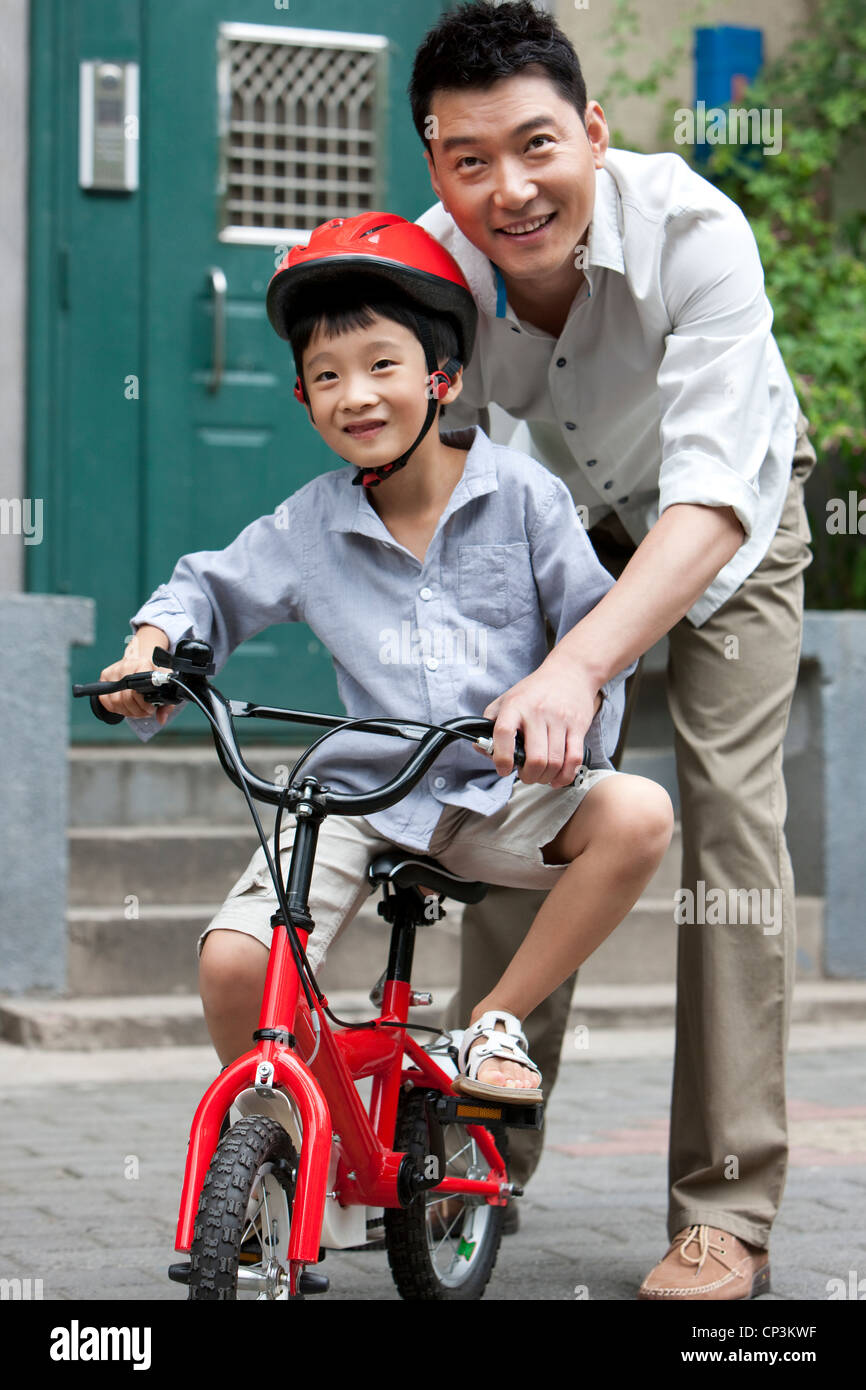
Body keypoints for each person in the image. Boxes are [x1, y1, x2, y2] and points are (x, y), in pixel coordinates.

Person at [409, 0, 816, 1298]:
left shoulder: (696, 235)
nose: (509, 189)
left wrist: (584, 660)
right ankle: (480, 1156)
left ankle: (725, 1209)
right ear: (435, 166)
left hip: (727, 521)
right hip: (559, 518)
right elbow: (431, 468)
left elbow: (705, 505)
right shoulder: (432, 270)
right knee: (523, 805)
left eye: (536, 146)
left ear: (591, 130)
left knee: (730, 829)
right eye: (469, 160)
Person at [97, 211, 673, 1112]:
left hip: (499, 790)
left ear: (441, 376)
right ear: (302, 400)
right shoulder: (308, 524)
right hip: (360, 795)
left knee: (639, 813)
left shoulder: (522, 494)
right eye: (325, 376)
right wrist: (151, 648)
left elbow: (595, 627)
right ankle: (288, 1140)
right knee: (235, 961)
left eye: (380, 365)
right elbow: (208, 588)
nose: (354, 394)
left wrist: (570, 719)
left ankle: (496, 1020)